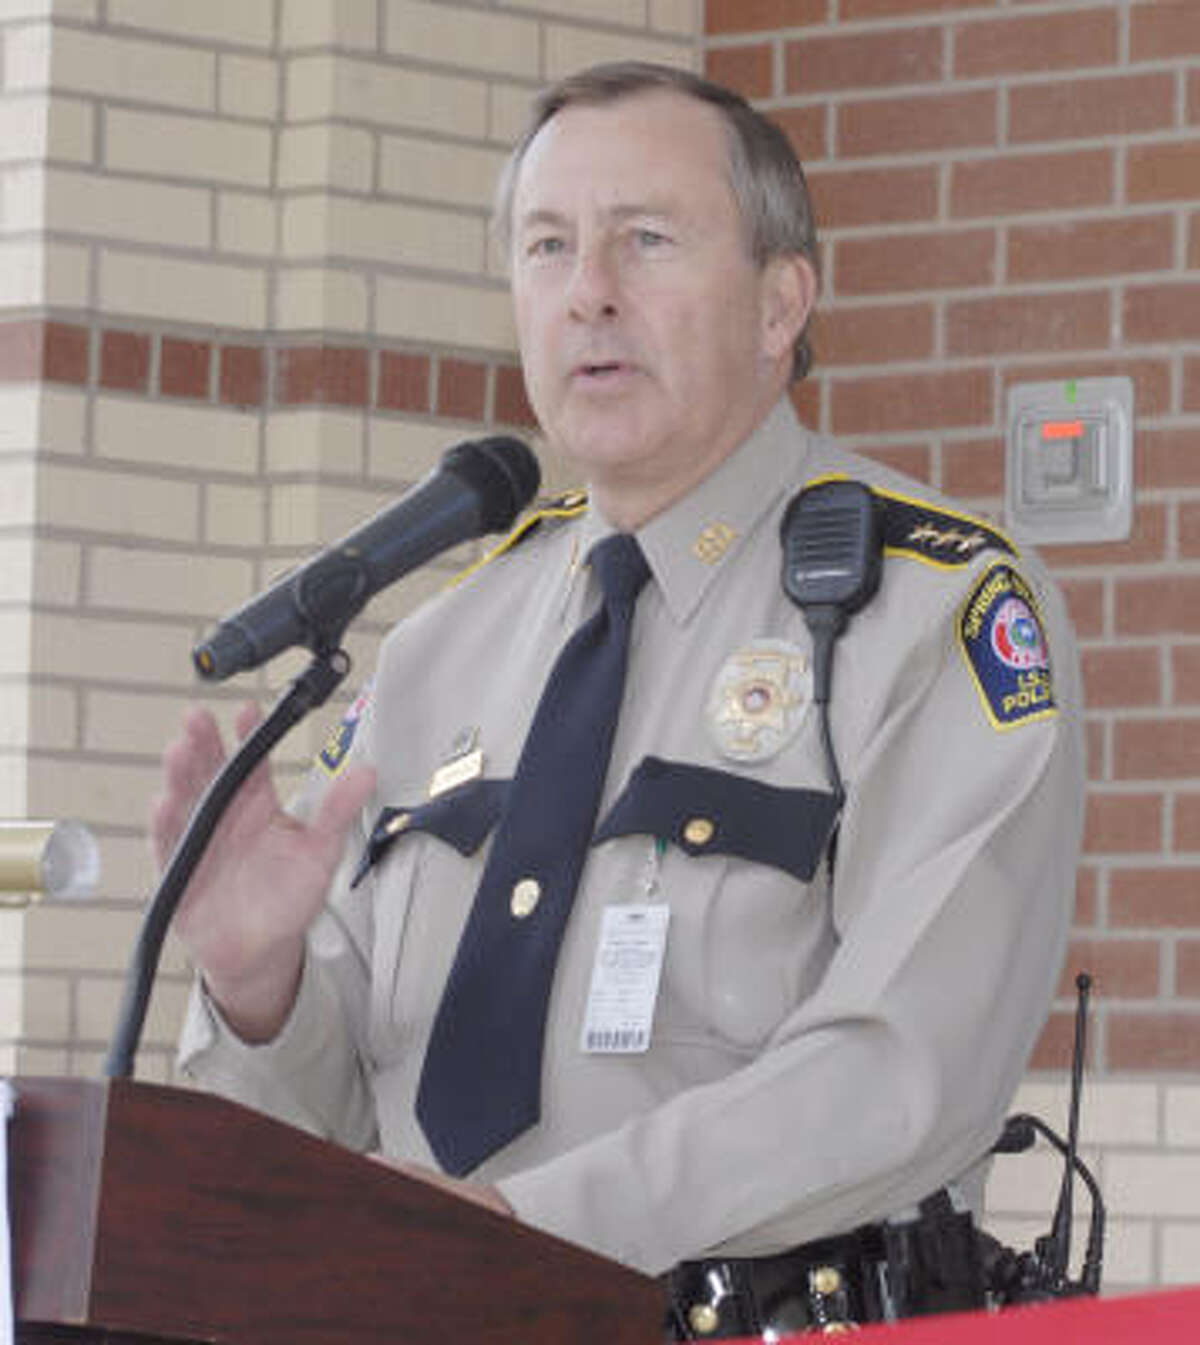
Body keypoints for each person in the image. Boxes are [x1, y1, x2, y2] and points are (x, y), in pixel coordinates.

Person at [158, 63, 1085, 1336]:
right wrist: (257, 988)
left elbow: (902, 1075)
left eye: (644, 239)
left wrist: (535, 1234)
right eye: (548, 246)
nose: (588, 289)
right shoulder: (440, 643)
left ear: (779, 303)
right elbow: (333, 1120)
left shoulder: (927, 611)